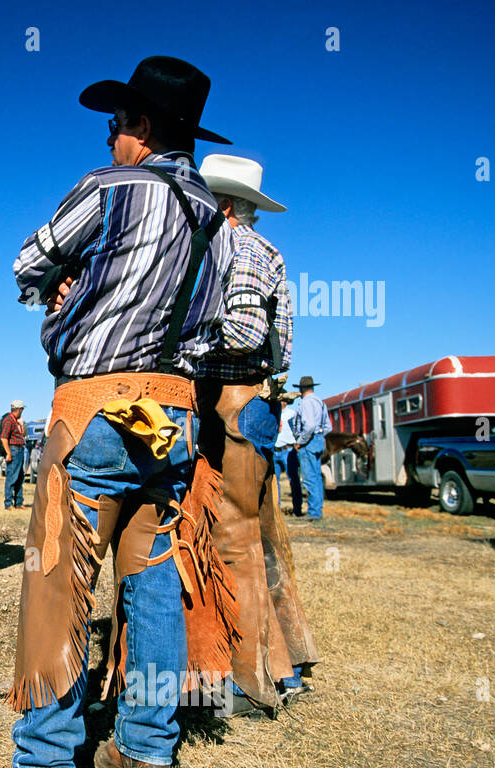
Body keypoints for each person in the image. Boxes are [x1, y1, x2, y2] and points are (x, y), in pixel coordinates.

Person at [0, 55, 232, 768]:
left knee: (59, 573)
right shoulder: (216, 220)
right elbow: (211, 329)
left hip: (95, 407)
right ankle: (148, 747)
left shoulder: (109, 188)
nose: (110, 134)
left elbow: (26, 264)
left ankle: (48, 767)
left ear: (142, 128)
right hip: (175, 416)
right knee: (151, 579)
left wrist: (66, 289)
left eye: (117, 123)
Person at [193, 153, 296, 715]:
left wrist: (179, 340)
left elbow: (243, 330)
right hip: (251, 402)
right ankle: (286, 663)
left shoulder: (238, 248)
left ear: (224, 205)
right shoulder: (263, 250)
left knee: (233, 535)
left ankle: (250, 684)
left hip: (232, 400)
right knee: (257, 535)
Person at [293, 375, 330, 519]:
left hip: (309, 441)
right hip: (319, 439)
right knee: (316, 477)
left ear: (301, 389)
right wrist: (319, 437)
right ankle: (317, 510)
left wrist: (300, 441)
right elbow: (328, 426)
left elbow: (309, 426)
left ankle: (314, 512)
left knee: (309, 478)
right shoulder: (321, 402)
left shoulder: (305, 403)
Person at [275, 392, 302, 513]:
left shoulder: (292, 414)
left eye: (283, 400)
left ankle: (297, 508)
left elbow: (299, 429)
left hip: (288, 449)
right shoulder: (273, 412)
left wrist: (297, 442)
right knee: (274, 482)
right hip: (275, 450)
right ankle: (277, 508)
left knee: (293, 479)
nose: (281, 402)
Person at [0, 399, 27, 509]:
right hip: (14, 450)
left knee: (20, 477)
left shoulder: (16, 421)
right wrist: (8, 453)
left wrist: (21, 425)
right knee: (12, 477)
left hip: (19, 449)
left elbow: (22, 435)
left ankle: (19, 502)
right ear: (19, 409)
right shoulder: (9, 420)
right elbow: (4, 438)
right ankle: (8, 503)